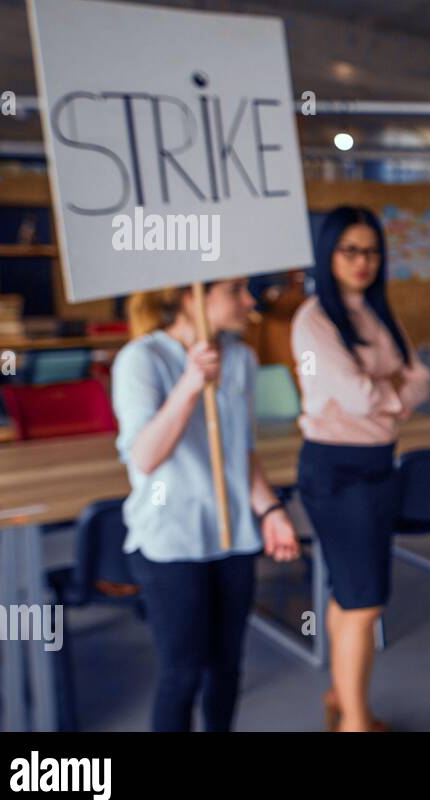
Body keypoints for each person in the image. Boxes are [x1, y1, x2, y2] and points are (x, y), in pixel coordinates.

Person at [113, 278, 301, 732]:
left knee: (227, 667)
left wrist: (270, 510)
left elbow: (243, 451)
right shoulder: (142, 359)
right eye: (236, 290)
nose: (249, 301)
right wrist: (191, 384)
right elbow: (146, 455)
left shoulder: (242, 357)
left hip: (232, 535)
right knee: (182, 673)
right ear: (189, 295)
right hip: (171, 541)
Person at [291, 206, 430, 732]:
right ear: (329, 254)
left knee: (348, 595)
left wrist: (387, 393)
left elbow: (419, 379)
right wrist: (392, 392)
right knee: (365, 603)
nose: (361, 261)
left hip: (375, 467)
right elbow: (355, 396)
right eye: (349, 250)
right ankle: (354, 721)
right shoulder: (315, 319)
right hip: (337, 470)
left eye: (370, 250)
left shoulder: (377, 310)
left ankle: (340, 697)